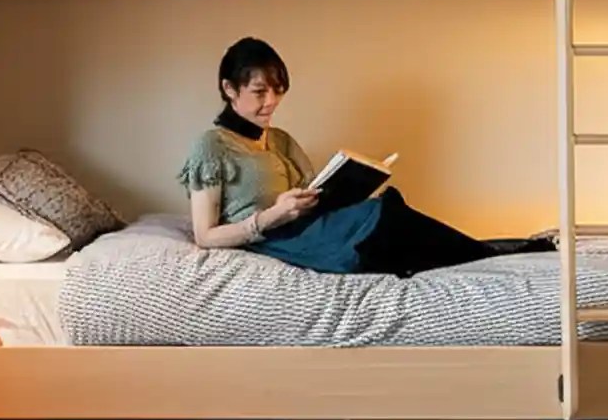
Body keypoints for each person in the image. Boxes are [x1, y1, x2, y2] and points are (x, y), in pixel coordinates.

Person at [177, 36, 555, 277]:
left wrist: (336, 190)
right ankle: (495, 255)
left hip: (312, 226)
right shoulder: (211, 146)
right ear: (229, 89)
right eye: (259, 92)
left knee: (385, 213)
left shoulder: (281, 140)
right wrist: (272, 216)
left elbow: (311, 194)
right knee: (385, 218)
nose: (271, 101)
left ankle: (494, 253)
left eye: (277, 91)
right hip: (277, 239)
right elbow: (205, 234)